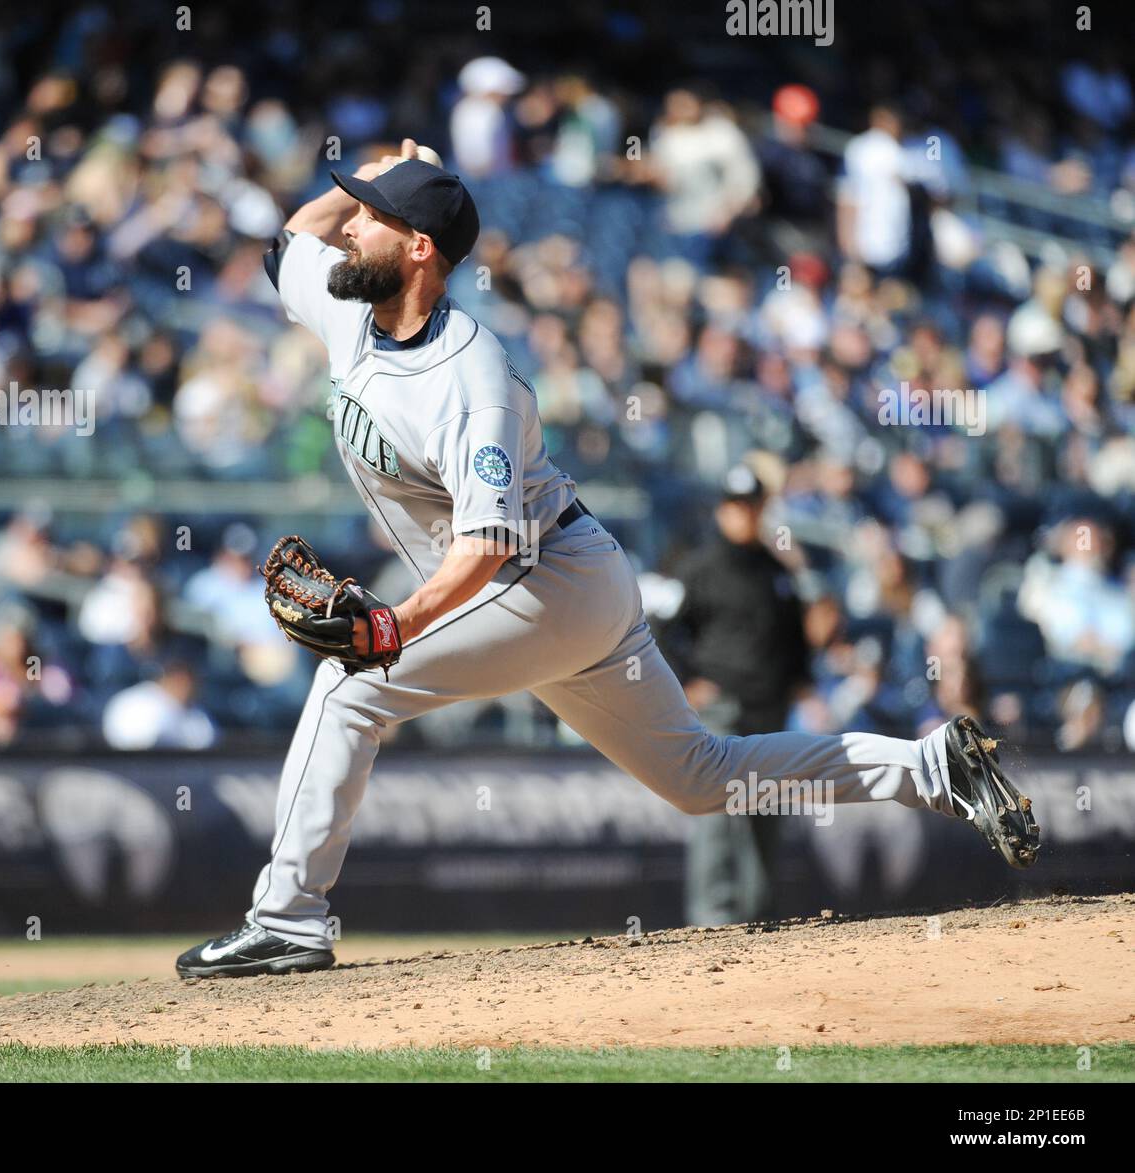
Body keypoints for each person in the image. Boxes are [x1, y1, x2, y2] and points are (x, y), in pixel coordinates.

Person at [176, 140, 1040, 980]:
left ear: (419, 248)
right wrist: (370, 177)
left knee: (350, 681)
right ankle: (930, 768)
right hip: (558, 588)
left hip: (542, 578)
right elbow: (286, 238)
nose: (348, 226)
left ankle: (286, 920)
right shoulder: (343, 304)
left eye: (368, 217)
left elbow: (485, 544)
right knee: (704, 780)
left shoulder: (473, 379)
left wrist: (393, 624)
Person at [663, 466, 810, 926]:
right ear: (723, 510)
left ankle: (757, 919)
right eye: (736, 507)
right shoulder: (697, 568)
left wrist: (798, 682)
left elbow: (796, 638)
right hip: (721, 708)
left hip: (770, 708)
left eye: (752, 506)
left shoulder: (776, 572)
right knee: (717, 813)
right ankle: (713, 922)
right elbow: (662, 633)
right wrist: (687, 682)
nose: (744, 515)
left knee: (766, 815)